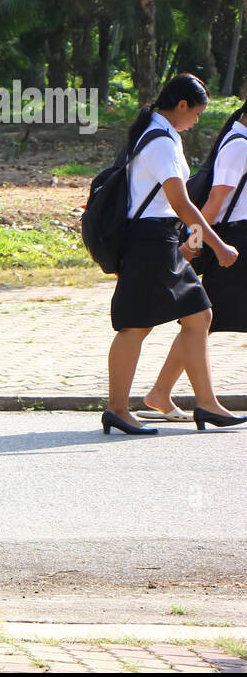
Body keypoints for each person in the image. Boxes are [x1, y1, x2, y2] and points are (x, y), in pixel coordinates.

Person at [106, 74, 246, 434]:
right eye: (197, 112)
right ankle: (118, 409)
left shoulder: (159, 133)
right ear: (181, 106)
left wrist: (192, 239)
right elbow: (182, 204)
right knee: (135, 327)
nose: (197, 120)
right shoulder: (162, 142)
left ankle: (206, 404)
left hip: (159, 239)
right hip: (150, 241)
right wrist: (214, 244)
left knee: (199, 316)